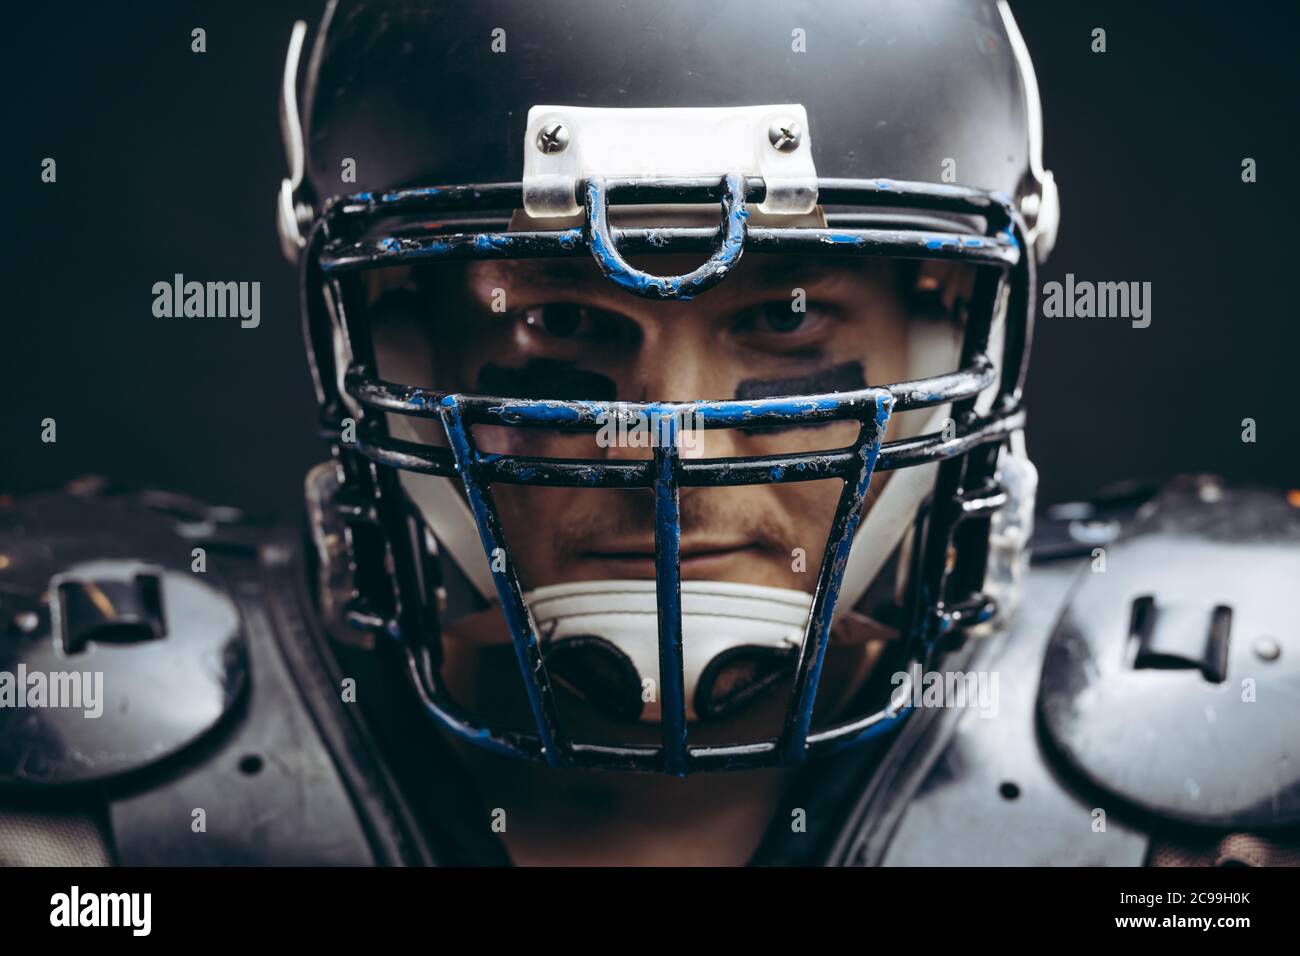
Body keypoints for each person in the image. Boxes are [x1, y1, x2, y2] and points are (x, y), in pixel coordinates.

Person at [3, 0, 1296, 867]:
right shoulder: (82, 799)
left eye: (786, 313)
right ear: (397, 341)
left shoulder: (1216, 774)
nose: (669, 445)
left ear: (946, 327)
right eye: (562, 316)